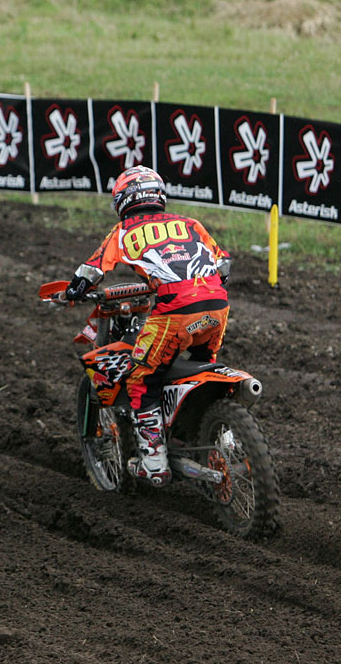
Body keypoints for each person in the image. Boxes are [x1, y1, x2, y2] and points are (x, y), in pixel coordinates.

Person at [62, 166, 232, 487]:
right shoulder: (190, 224)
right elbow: (223, 263)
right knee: (199, 367)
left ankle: (154, 463)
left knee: (141, 377)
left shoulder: (124, 231)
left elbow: (93, 269)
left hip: (175, 310)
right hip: (217, 305)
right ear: (159, 195)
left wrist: (75, 289)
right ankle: (212, 436)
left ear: (123, 201)